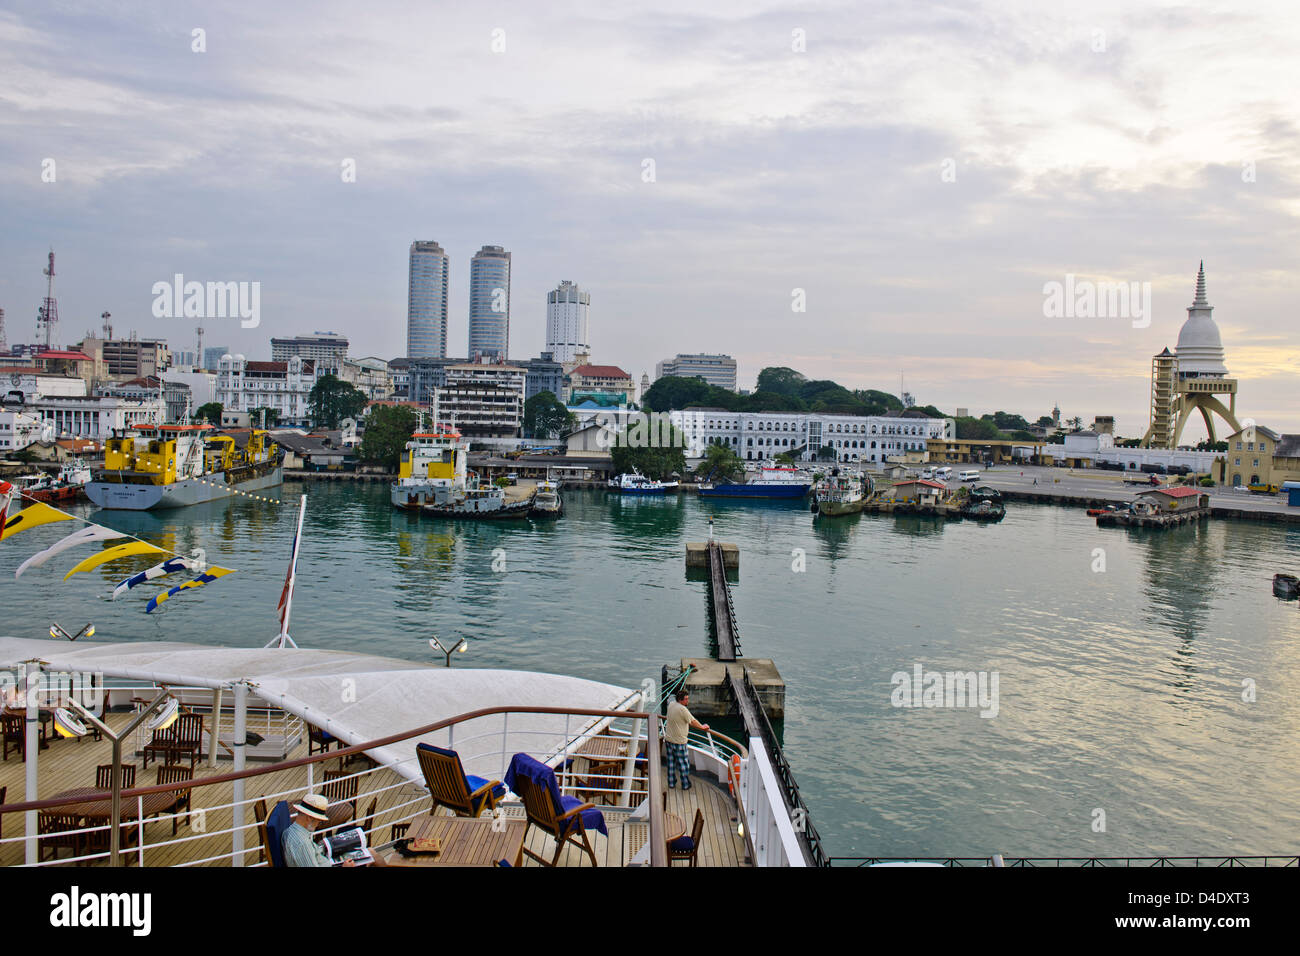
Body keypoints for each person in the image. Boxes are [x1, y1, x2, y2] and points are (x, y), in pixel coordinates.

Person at [282, 793, 354, 867]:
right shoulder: (302, 844)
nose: (318, 824)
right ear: (309, 818)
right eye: (319, 821)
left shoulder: (291, 831)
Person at [665, 689, 709, 791]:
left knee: (671, 763)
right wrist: (702, 727)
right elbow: (693, 721)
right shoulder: (683, 709)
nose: (687, 701)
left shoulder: (671, 704)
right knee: (683, 764)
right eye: (686, 699)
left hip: (669, 739)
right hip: (679, 741)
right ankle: (685, 784)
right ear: (680, 700)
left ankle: (671, 783)